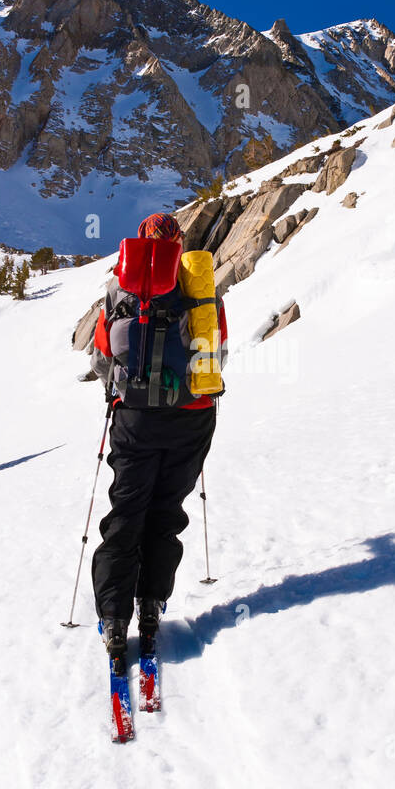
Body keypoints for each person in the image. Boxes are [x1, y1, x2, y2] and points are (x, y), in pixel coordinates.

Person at [90, 212, 227, 661]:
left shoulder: (118, 290)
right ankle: (151, 605)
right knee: (166, 512)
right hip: (190, 420)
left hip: (134, 421)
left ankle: (113, 615)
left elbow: (100, 359)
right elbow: (217, 355)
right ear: (180, 243)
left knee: (127, 512)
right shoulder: (201, 290)